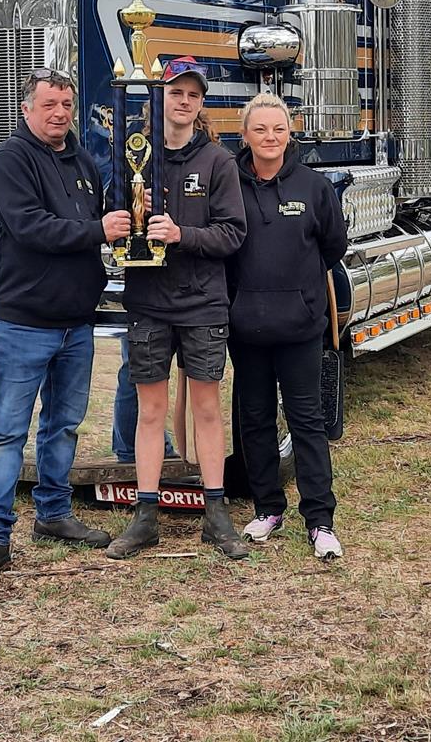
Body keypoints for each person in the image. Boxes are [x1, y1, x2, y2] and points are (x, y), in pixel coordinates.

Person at [0, 69, 131, 585]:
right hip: (26, 321)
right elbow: (32, 228)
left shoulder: (82, 160)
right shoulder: (10, 162)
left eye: (65, 103)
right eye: (48, 104)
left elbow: (105, 217)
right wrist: (97, 230)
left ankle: (54, 513)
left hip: (75, 323)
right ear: (26, 109)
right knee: (7, 432)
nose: (59, 112)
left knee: (63, 425)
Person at [105, 57, 250, 560]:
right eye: (174, 91)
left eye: (193, 94)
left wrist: (181, 235)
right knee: (149, 411)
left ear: (201, 103)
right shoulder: (133, 157)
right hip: (147, 302)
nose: (183, 101)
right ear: (157, 98)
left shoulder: (218, 162)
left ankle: (216, 514)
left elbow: (233, 233)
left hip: (203, 304)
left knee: (207, 408)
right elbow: (113, 209)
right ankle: (145, 516)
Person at [228, 93, 349, 560]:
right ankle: (268, 508)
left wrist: (298, 291)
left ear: (289, 132)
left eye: (278, 128)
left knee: (307, 422)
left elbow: (332, 246)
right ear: (245, 135)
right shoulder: (230, 184)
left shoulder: (313, 186)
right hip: (247, 330)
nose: (270, 137)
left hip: (300, 327)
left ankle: (320, 520)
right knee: (255, 421)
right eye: (260, 129)